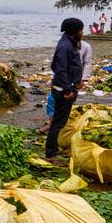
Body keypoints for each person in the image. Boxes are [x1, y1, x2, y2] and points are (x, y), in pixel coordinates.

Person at [44, 18, 84, 159]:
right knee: (58, 123)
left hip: (66, 87)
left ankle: (53, 148)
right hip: (62, 90)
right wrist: (67, 89)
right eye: (80, 30)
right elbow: (59, 69)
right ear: (75, 31)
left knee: (59, 121)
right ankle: (50, 152)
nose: (82, 32)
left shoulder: (70, 43)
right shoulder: (65, 46)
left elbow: (63, 66)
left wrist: (76, 81)